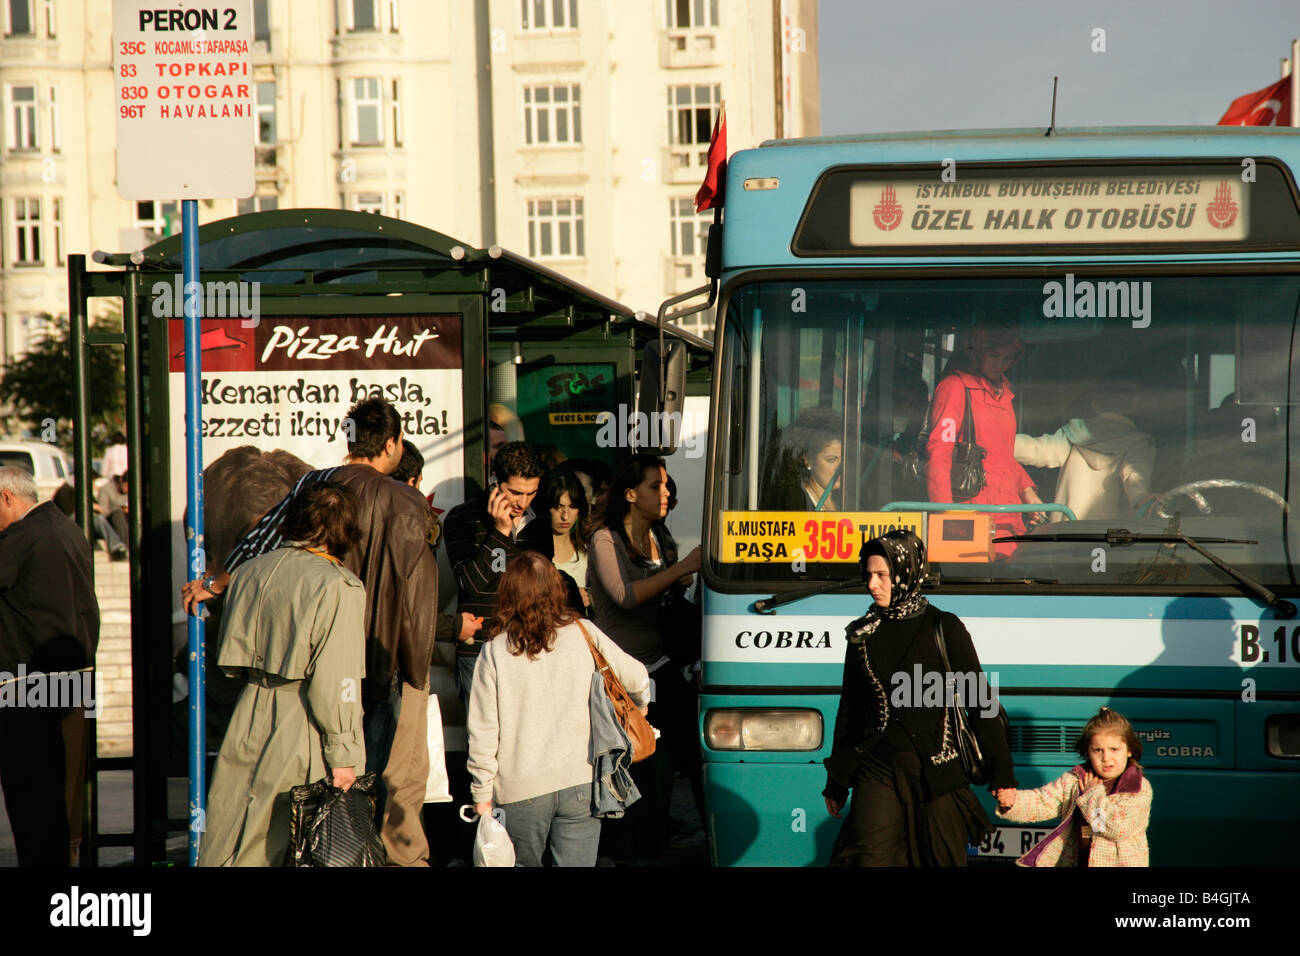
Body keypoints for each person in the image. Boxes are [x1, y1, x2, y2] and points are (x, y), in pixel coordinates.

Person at [183, 398, 439, 867]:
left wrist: (212, 585)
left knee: (245, 819)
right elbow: (411, 603)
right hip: (362, 679)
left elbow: (252, 549)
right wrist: (413, 678)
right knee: (342, 811)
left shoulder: (306, 491)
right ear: (390, 443)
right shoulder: (391, 521)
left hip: (265, 697)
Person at [198, 483, 367, 867]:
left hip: (249, 704)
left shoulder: (250, 571)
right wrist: (344, 753)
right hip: (301, 715)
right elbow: (336, 677)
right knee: (278, 842)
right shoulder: (339, 585)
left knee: (230, 827)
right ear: (346, 529)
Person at [823, 529, 1015, 866]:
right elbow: (850, 710)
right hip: (877, 771)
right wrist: (836, 784)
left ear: (906, 573)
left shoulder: (944, 627)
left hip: (937, 773)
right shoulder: (861, 633)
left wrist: (1003, 776)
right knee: (871, 858)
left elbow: (979, 702)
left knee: (939, 859)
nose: (872, 584)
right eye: (868, 575)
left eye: (882, 575)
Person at [467, 552, 649, 866]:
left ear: (508, 594)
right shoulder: (583, 632)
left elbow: (483, 730)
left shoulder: (494, 651)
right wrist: (642, 705)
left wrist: (481, 793)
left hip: (520, 788)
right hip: (581, 780)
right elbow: (637, 676)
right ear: (556, 589)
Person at [587, 453, 701, 860]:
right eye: (656, 486)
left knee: (684, 755)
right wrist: (680, 569)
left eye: (667, 485)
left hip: (659, 664)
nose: (666, 492)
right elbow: (625, 595)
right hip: (619, 675)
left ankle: (669, 840)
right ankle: (628, 850)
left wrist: (677, 578)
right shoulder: (605, 538)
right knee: (634, 768)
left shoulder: (658, 536)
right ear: (631, 494)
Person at [0, 465, 100, 866]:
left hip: (29, 687)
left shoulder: (23, 537)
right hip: (75, 683)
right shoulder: (66, 528)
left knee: (33, 805)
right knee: (65, 802)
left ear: (6, 497)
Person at [444, 441, 549, 705]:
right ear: (495, 481)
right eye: (515, 492)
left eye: (531, 493)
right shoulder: (462, 518)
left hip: (530, 648)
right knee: (483, 744)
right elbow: (470, 583)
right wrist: (501, 533)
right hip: (480, 650)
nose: (522, 502)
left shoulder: (540, 520)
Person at [926, 324, 1043, 557]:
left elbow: (1002, 456)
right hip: (971, 516)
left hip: (1009, 515)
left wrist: (1027, 491)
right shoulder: (955, 388)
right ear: (976, 352)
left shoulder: (1004, 395)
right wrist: (946, 515)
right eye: (994, 355)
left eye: (1008, 358)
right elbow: (939, 454)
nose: (1001, 365)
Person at [994, 706, 1152, 867]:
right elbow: (1042, 802)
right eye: (1098, 750)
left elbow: (1116, 827)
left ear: (1129, 750)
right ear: (1087, 752)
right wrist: (1013, 800)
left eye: (1114, 749)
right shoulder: (1075, 780)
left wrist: (1092, 793)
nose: (1106, 758)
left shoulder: (1137, 788)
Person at [1014, 386, 1157, 523]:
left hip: (1064, 532)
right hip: (1108, 539)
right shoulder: (1138, 443)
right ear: (1133, 404)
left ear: (1095, 404)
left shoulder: (1073, 433)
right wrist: (1149, 504)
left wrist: (997, 439)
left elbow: (1034, 450)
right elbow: (1136, 485)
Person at [392, 439, 482, 646]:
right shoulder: (405, 530)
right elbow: (401, 611)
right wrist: (453, 627)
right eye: (419, 483)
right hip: (398, 657)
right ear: (410, 482)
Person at [765, 408, 843, 511]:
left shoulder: (843, 500)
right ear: (808, 460)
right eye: (831, 460)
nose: (840, 468)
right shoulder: (795, 504)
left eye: (843, 459)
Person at [542, 469, 592, 610]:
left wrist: (590, 597)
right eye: (558, 507)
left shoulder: (589, 550)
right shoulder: (532, 553)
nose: (565, 516)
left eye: (572, 507)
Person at [95, 470, 130, 559]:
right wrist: (119, 509)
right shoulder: (106, 489)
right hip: (111, 519)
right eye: (126, 486)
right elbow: (102, 510)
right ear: (121, 481)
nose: (127, 490)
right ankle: (123, 547)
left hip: (127, 519)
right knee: (118, 514)